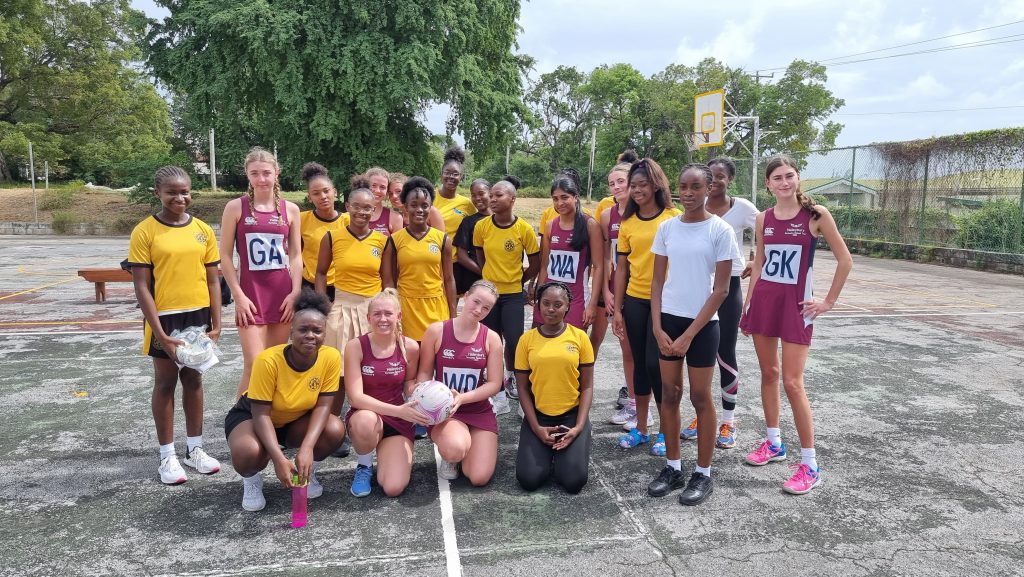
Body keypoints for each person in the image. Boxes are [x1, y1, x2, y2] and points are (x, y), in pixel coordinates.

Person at [740, 154, 853, 495]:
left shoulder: (816, 215)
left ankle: (810, 465)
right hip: (765, 303)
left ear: (798, 177)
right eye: (777, 177)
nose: (784, 182)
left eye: (789, 175)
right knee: (768, 374)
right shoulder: (764, 218)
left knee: (792, 382)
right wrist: (748, 306)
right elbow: (760, 263)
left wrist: (828, 302)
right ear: (768, 184)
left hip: (796, 307)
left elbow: (845, 260)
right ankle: (774, 443)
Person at [647, 164, 738, 505]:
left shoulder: (720, 230)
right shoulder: (667, 228)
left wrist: (689, 335)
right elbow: (657, 282)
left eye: (695, 187)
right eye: (683, 186)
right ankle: (673, 467)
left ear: (708, 188)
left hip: (702, 326)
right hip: (668, 322)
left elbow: (722, 290)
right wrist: (657, 326)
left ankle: (703, 473)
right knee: (670, 394)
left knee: (700, 398)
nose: (687, 193)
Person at [128, 165, 222, 484]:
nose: (179, 197)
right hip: (164, 317)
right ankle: (167, 456)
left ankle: (194, 450)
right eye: (171, 192)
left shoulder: (203, 230)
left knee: (194, 380)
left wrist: (217, 324)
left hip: (197, 316)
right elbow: (142, 286)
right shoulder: (145, 231)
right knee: (166, 383)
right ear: (158, 193)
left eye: (185, 191)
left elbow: (213, 280)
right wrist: (160, 333)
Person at [223, 288, 347, 511]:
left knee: (335, 428)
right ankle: (251, 481)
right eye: (303, 329)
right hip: (253, 417)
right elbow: (260, 414)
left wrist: (307, 448)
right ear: (291, 332)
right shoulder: (268, 360)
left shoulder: (331, 357)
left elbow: (323, 406)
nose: (310, 335)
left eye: (317, 331)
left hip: (294, 420)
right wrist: (279, 459)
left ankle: (308, 472)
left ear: (325, 333)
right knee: (248, 452)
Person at [681, 157, 759, 448]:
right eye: (710, 177)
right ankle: (702, 415)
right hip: (698, 287)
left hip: (728, 289)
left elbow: (769, 230)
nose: (714, 181)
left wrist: (755, 262)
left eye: (720, 176)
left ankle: (728, 420)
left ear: (730, 180)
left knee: (725, 352)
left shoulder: (743, 208)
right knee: (699, 355)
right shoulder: (694, 208)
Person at [220, 147, 303, 398]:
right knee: (255, 363)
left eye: (266, 173)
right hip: (250, 296)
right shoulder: (235, 207)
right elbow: (225, 256)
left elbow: (296, 255)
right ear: (247, 175)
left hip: (282, 296)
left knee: (275, 362)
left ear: (277, 173)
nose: (261, 179)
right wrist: (238, 296)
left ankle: (270, 414)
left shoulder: (290, 210)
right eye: (255, 173)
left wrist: (295, 293)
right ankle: (241, 416)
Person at [611, 158, 681, 454]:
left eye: (643, 185)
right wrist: (617, 309)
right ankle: (641, 428)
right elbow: (622, 269)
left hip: (666, 303)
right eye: (633, 185)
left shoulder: (674, 217)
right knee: (640, 365)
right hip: (635, 301)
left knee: (658, 366)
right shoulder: (627, 222)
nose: (637, 190)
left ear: (656, 185)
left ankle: (666, 432)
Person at [417, 280, 504, 484]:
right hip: (446, 410)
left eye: (486, 308)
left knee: (479, 477)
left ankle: (468, 446)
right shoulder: (437, 331)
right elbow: (424, 372)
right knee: (455, 448)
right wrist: (422, 397)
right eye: (476, 302)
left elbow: (494, 384)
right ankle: (452, 454)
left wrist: (462, 398)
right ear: (465, 296)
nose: (479, 310)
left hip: (478, 409)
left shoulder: (492, 338)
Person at [316, 186, 392, 415]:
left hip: (372, 312)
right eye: (356, 206)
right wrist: (323, 307)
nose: (362, 212)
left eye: (367, 207)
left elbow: (387, 280)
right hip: (341, 310)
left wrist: (389, 311)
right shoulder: (332, 237)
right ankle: (332, 423)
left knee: (372, 369)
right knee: (337, 373)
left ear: (374, 209)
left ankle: (369, 421)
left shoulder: (382, 241)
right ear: (347, 207)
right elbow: (320, 273)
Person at [514, 282, 595, 494]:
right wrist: (536, 427)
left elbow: (587, 387)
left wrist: (578, 427)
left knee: (573, 481)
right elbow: (522, 387)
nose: (551, 309)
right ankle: (546, 451)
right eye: (546, 303)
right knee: (529, 480)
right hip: (539, 417)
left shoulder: (580, 337)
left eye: (558, 304)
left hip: (571, 417)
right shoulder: (526, 340)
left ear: (567, 306)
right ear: (538, 305)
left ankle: (576, 442)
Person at [344, 289, 426, 497]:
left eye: (388, 314)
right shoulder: (355, 347)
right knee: (365, 421)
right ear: (368, 318)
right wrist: (398, 411)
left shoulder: (410, 347)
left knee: (393, 487)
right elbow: (355, 398)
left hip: (398, 421)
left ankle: (386, 454)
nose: (383, 319)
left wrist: (420, 392)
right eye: (377, 314)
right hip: (367, 416)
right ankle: (364, 465)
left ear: (399, 316)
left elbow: (408, 382)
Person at [472, 176, 541, 411]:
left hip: (512, 294)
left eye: (498, 195)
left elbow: (535, 263)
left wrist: (518, 279)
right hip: (489, 296)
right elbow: (480, 256)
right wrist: (489, 278)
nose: (492, 199)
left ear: (512, 199)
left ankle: (516, 384)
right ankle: (498, 393)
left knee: (514, 342)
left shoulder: (524, 229)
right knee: (492, 345)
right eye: (491, 195)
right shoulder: (482, 227)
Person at [383, 176, 457, 342]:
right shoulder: (394, 240)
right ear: (405, 206)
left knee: (434, 353)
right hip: (406, 308)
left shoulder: (442, 239)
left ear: (430, 207)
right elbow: (389, 281)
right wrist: (392, 309)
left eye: (424, 205)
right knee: (409, 354)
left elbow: (449, 279)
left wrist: (453, 314)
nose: (419, 210)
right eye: (414, 205)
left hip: (436, 306)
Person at [533, 170, 603, 333]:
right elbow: (545, 266)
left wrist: (592, 304)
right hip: (549, 298)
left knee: (572, 346)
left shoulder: (590, 225)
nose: (560, 203)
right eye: (555, 199)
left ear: (576, 197)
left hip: (576, 300)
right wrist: (539, 297)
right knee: (541, 344)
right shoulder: (550, 225)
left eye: (564, 197)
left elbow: (598, 267)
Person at [602, 157, 640, 429]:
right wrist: (605, 290)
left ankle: (648, 408)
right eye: (611, 183)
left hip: (641, 288)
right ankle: (635, 404)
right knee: (626, 349)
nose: (616, 187)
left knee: (645, 352)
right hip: (618, 289)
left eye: (621, 182)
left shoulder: (645, 212)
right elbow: (606, 258)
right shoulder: (608, 215)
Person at [298, 162, 342, 301]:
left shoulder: (348, 221)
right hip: (309, 286)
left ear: (335, 192)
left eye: (326, 191)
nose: (323, 196)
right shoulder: (301, 219)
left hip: (342, 287)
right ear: (309, 197)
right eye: (316, 193)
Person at [434, 146, 476, 260]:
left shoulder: (467, 204)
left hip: (455, 261)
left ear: (461, 177)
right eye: (447, 172)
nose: (451, 177)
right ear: (441, 175)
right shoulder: (429, 197)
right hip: (431, 259)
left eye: (455, 174)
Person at [453, 178, 492, 295]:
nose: (477, 198)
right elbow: (461, 256)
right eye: (473, 195)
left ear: (491, 193)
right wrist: (485, 273)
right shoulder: (468, 222)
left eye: (481, 194)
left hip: (503, 279)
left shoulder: (501, 220)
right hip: (475, 280)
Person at [364, 167, 404, 235]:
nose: (378, 190)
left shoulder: (396, 218)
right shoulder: (352, 215)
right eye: (373, 185)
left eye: (382, 187)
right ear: (365, 186)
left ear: (386, 191)